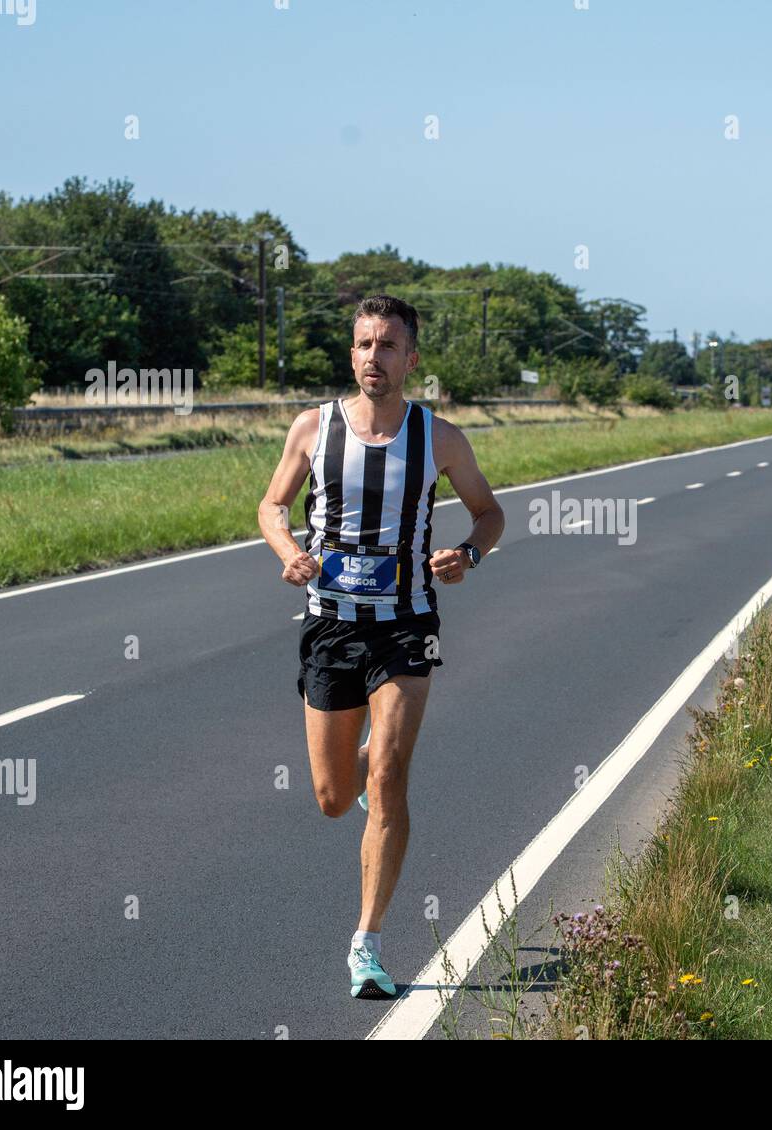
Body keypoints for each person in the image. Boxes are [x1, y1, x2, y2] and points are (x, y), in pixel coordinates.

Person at [257, 294, 506, 1000]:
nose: (374, 356)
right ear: (352, 354)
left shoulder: (440, 437)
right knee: (335, 798)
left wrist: (468, 554)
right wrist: (287, 549)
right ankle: (358, 772)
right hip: (331, 626)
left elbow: (490, 513)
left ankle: (366, 943)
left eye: (388, 345)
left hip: (406, 623)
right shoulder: (314, 428)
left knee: (390, 777)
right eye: (364, 344)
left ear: (410, 358)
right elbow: (272, 506)